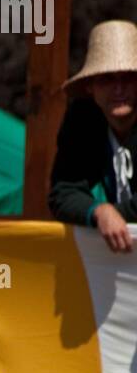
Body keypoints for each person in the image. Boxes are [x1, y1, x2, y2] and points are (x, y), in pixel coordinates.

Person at [49, 20, 137, 252]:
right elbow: (62, 192)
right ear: (90, 87)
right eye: (107, 78)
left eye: (127, 77)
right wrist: (99, 212)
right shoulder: (82, 119)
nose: (118, 89)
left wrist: (111, 215)